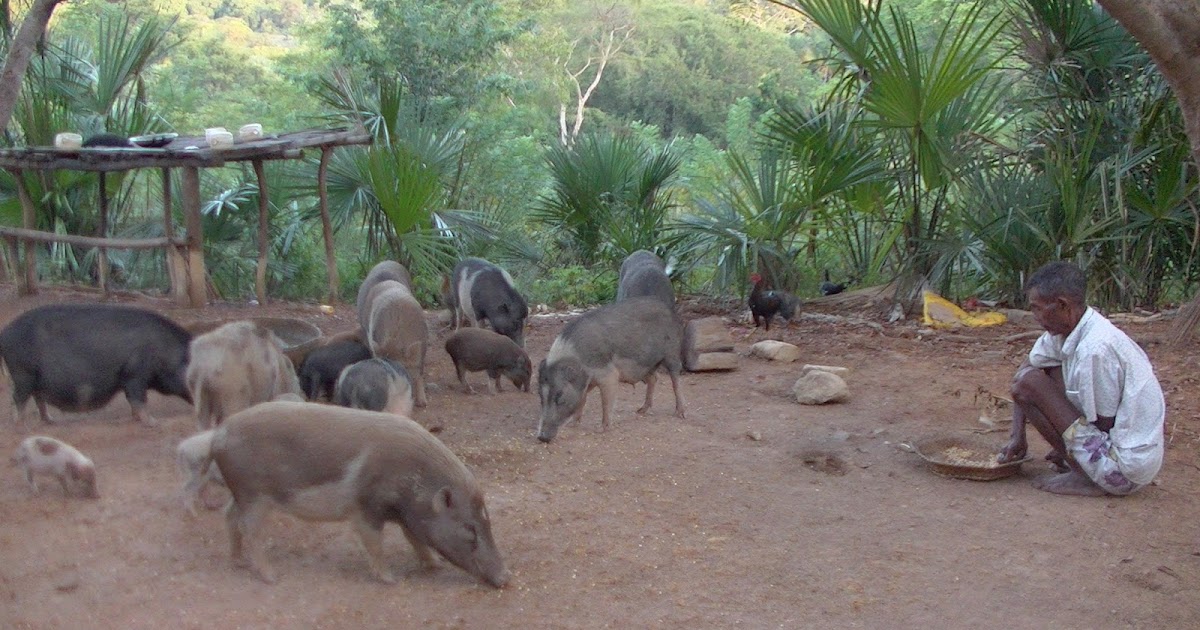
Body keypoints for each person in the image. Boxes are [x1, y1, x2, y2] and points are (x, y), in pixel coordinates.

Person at [997, 261, 1165, 496]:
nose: (1034, 316)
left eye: (1037, 308)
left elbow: (1104, 425)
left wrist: (1064, 444)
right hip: (1107, 451)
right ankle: (1082, 467)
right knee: (1036, 375)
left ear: (1062, 305)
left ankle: (1087, 477)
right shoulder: (1066, 331)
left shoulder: (1095, 349)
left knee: (1031, 383)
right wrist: (1018, 436)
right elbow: (1025, 371)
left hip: (1123, 471)